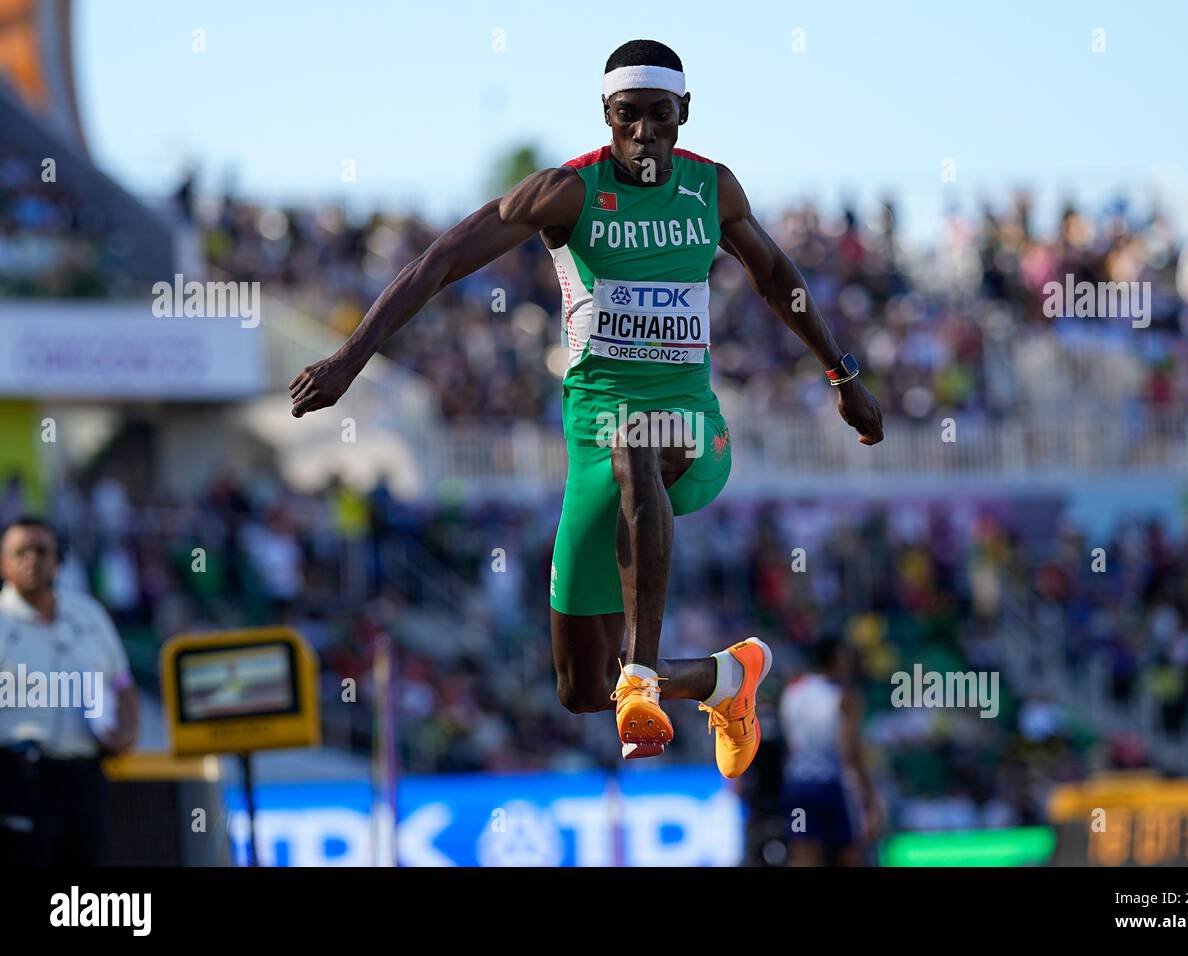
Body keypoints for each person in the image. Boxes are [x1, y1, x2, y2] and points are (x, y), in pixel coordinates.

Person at [289, 39, 884, 778]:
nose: (642, 134)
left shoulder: (712, 191)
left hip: (693, 434)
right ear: (606, 115)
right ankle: (724, 681)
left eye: (658, 117)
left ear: (684, 114)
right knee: (580, 688)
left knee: (639, 445)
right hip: (593, 450)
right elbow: (437, 262)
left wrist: (841, 374)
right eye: (627, 117)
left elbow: (777, 278)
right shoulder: (564, 194)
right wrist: (351, 357)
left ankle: (643, 673)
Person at [0, 516, 139, 865]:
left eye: (42, 550)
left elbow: (122, 683)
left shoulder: (89, 614)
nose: (31, 559)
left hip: (83, 776)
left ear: (58, 560)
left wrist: (127, 732)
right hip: (16, 777)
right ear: (3, 563)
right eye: (20, 552)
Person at [779, 635, 884, 865]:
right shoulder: (844, 695)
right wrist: (870, 798)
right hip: (832, 785)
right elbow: (849, 748)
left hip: (798, 785)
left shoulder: (793, 691)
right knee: (848, 853)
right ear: (837, 658)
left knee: (803, 853)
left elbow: (788, 742)